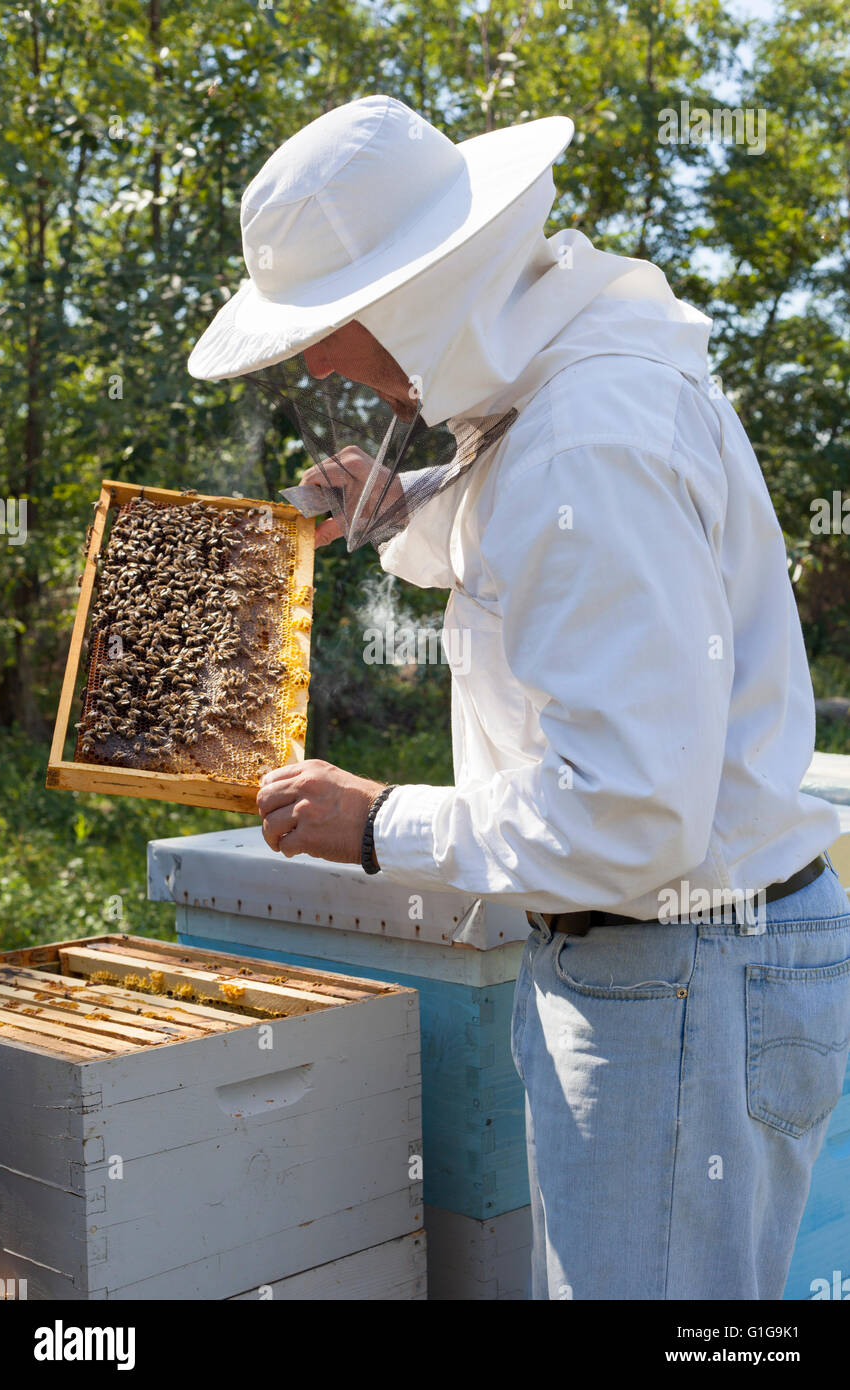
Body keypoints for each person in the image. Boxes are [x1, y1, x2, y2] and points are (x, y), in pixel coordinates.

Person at [188, 94, 850, 1300]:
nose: (318, 359)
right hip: (674, 967)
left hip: (676, 970)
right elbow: (520, 548)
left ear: (415, 295)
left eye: (331, 324)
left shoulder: (583, 443)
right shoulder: (564, 397)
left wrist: (382, 821)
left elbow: (625, 817)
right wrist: (395, 514)